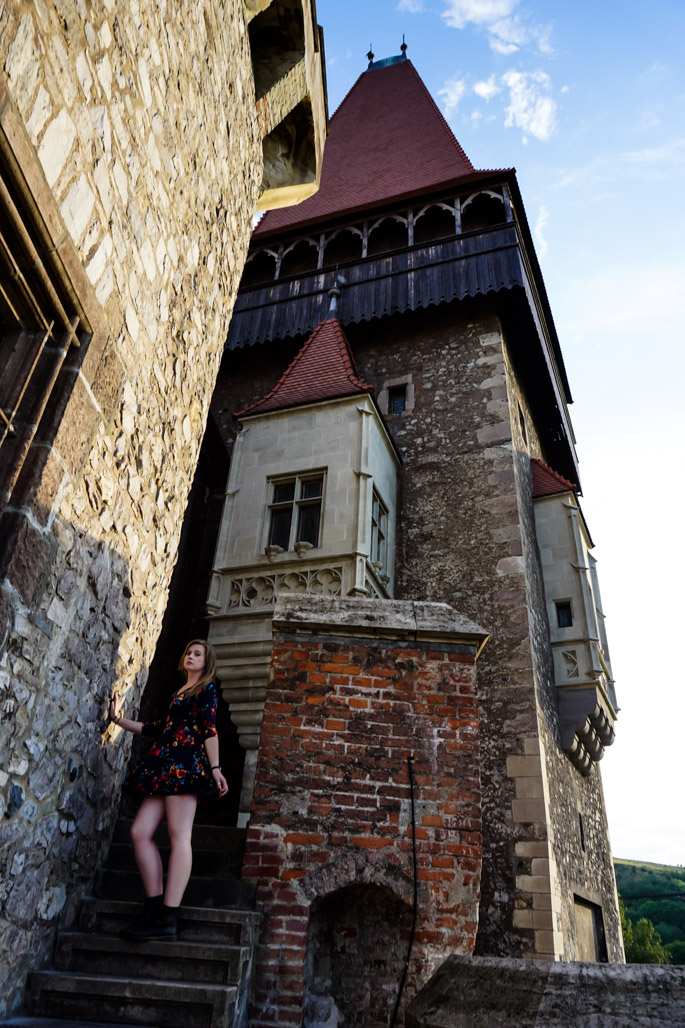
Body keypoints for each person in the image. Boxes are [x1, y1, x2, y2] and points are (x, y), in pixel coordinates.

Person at [109, 638, 228, 940]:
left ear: (207, 661)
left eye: (197, 653)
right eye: (188, 651)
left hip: (186, 767)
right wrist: (117, 720)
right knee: (139, 832)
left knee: (179, 836)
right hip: (163, 767)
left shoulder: (207, 689)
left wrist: (215, 769)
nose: (190, 656)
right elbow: (155, 728)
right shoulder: (178, 693)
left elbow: (209, 730)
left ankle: (167, 916)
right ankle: (153, 908)